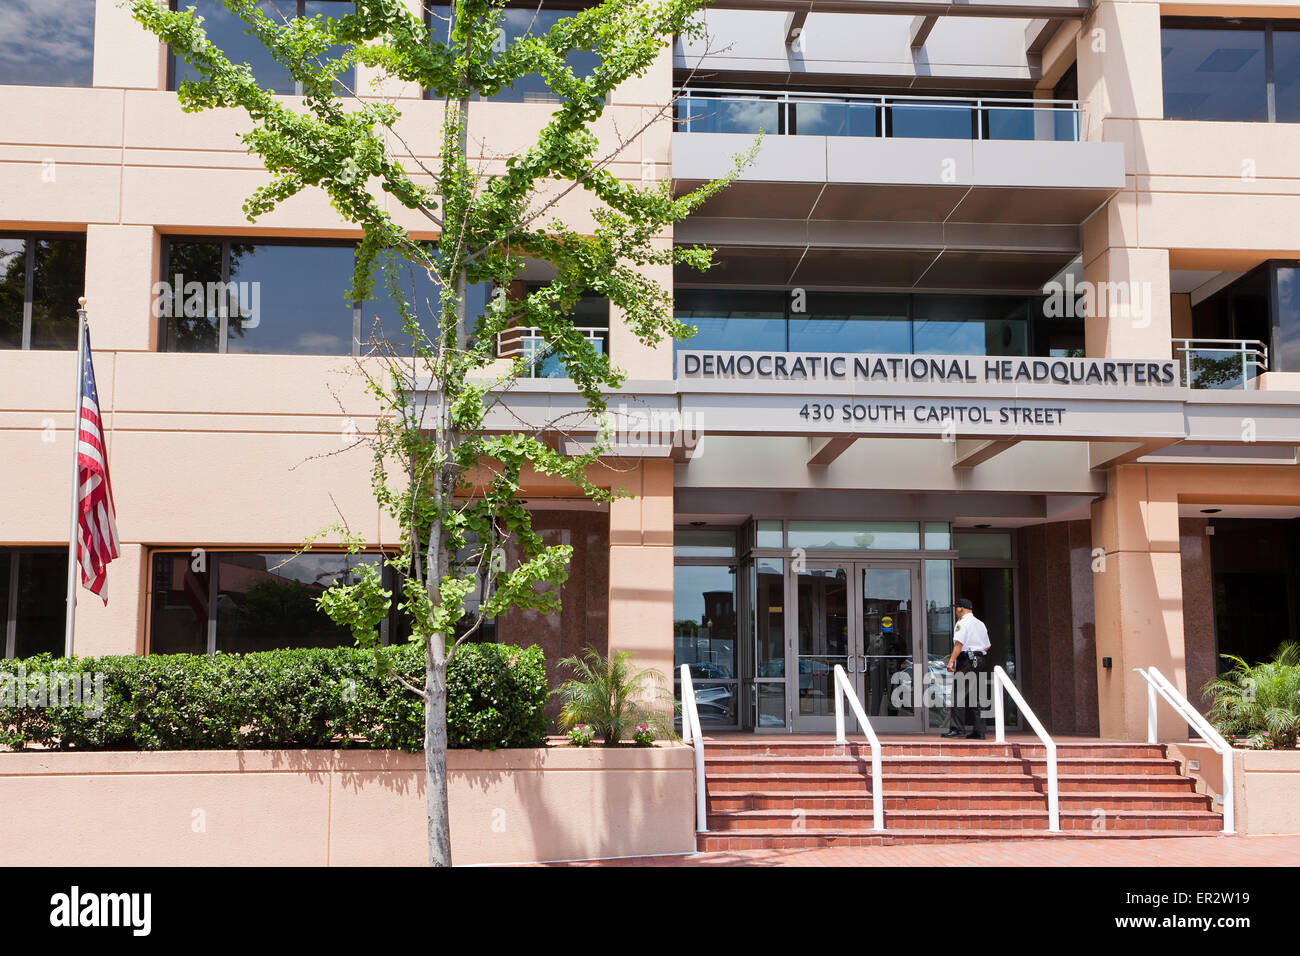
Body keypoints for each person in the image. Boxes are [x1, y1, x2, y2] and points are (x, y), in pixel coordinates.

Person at [941, 598, 992, 739]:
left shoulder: (962, 623)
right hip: (980, 659)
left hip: (967, 660)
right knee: (977, 695)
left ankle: (957, 728)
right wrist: (976, 652)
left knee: (958, 694)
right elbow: (987, 646)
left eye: (956, 608)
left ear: (961, 609)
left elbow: (958, 644)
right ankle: (979, 731)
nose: (955, 611)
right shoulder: (980, 624)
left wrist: (951, 661)